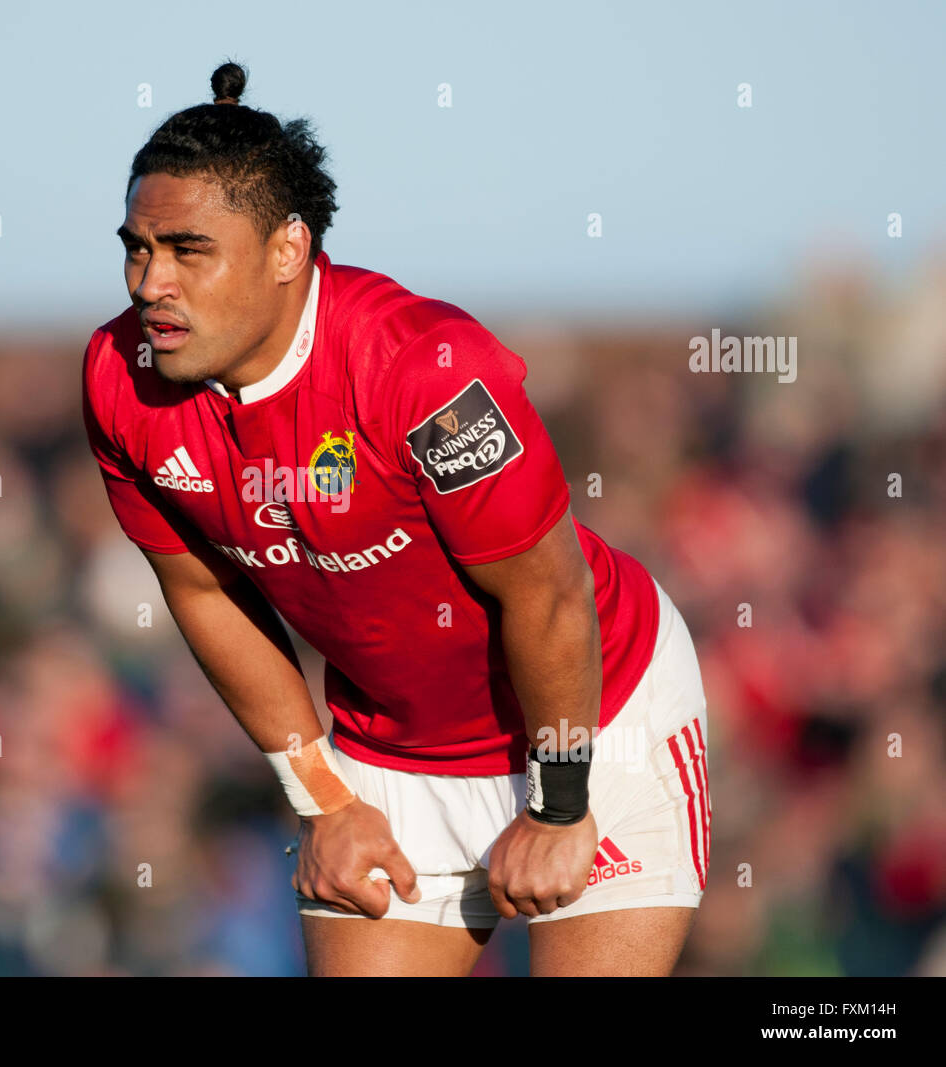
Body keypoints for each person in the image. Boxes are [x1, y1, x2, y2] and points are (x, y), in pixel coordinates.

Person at [82, 60, 711, 976]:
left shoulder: (428, 370)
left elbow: (549, 595)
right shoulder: (116, 378)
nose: (150, 281)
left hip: (593, 720)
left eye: (188, 249)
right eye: (137, 247)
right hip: (392, 752)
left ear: (289, 250)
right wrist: (321, 798)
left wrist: (563, 805)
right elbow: (203, 592)